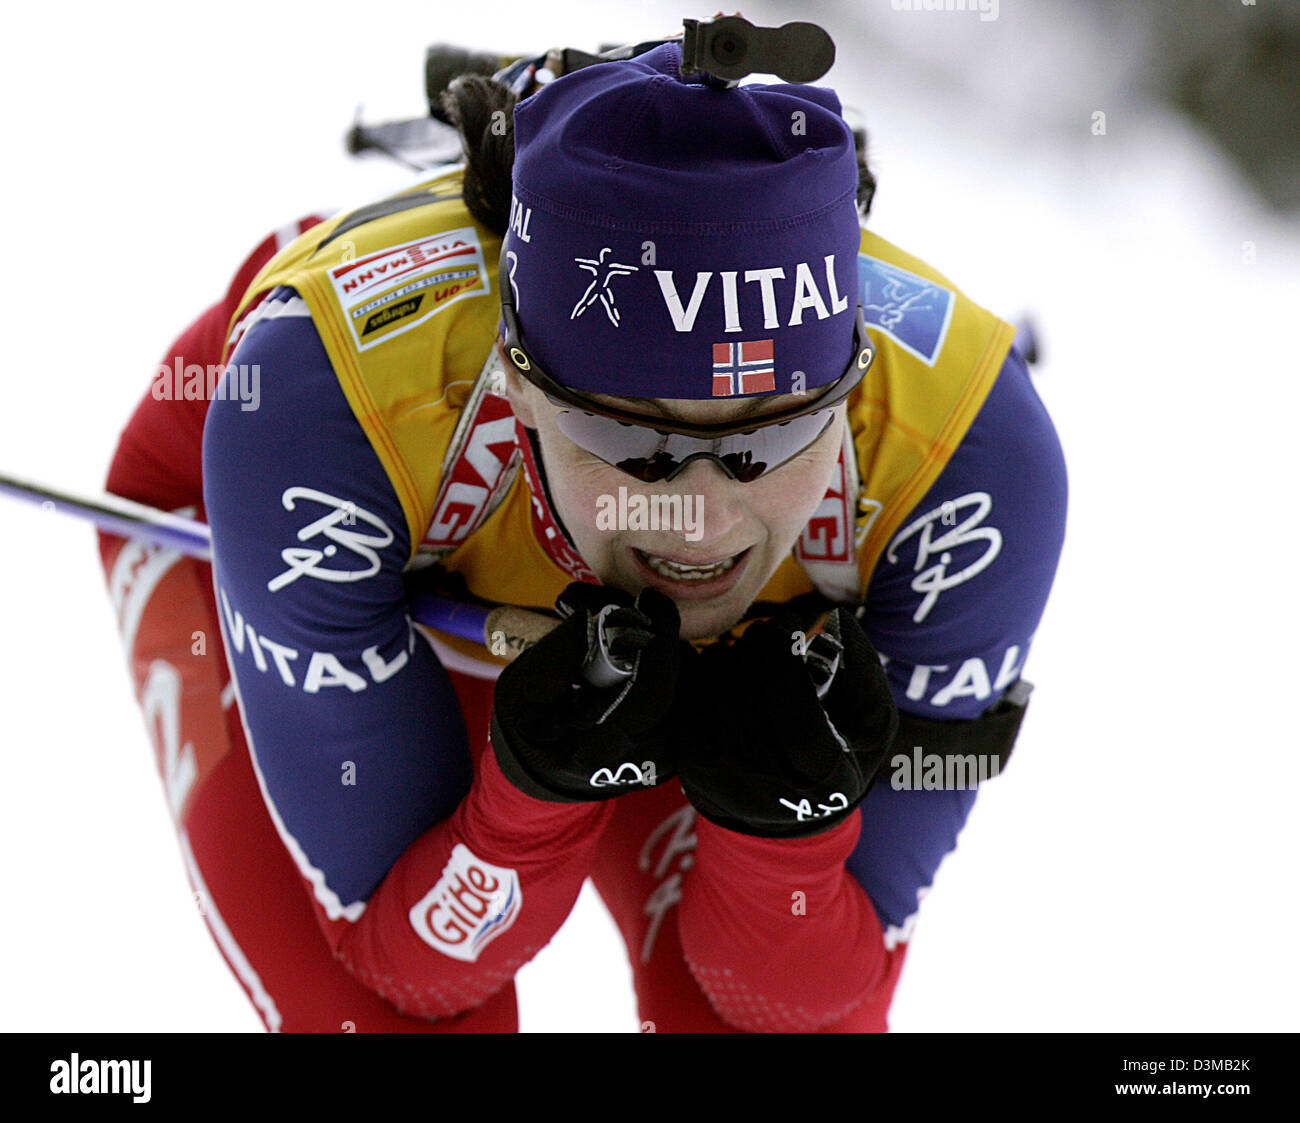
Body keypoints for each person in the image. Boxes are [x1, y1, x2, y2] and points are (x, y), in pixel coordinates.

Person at [96, 36, 1067, 1033]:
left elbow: (801, 1004)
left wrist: (786, 832)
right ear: (516, 379)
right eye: (629, 438)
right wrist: (531, 799)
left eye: (771, 438)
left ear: (849, 392)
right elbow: (408, 963)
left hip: (622, 621)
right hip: (333, 562)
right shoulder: (322, 412)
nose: (701, 515)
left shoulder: (968, 465)